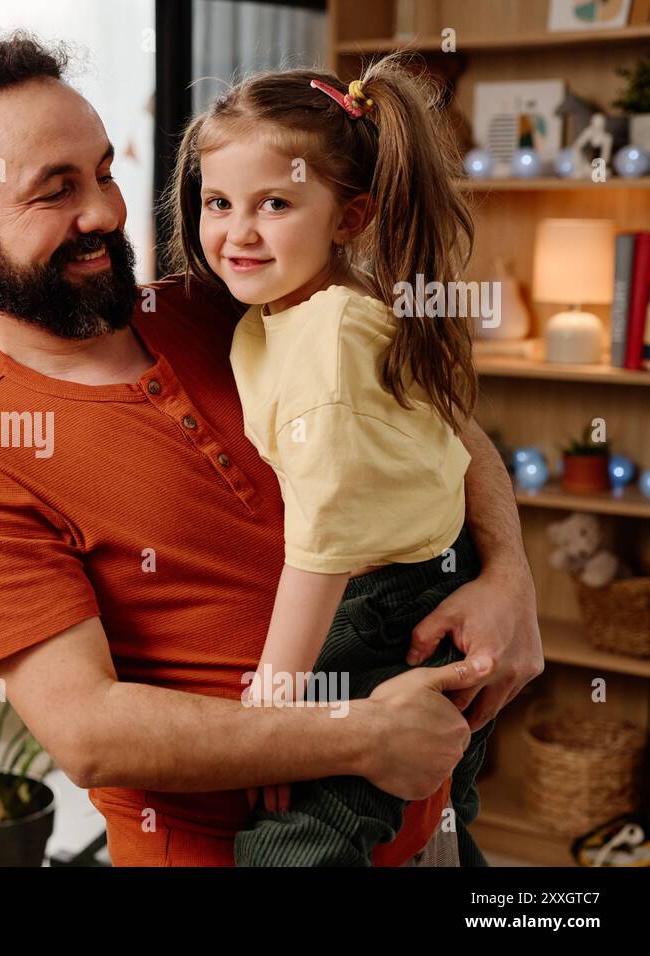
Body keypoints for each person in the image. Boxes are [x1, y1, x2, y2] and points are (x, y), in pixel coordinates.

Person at [0, 32, 544, 866]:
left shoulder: (230, 301)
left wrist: (507, 576)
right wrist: (354, 736)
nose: (108, 213)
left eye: (105, 173)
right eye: (57, 192)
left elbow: (437, 421)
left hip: (430, 821)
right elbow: (90, 731)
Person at [168, 57, 492, 866]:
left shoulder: (332, 337)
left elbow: (323, 536)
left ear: (349, 219)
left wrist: (272, 709)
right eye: (218, 203)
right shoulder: (294, 308)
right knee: (430, 821)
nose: (236, 232)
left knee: (297, 845)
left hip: (387, 610)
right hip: (410, 581)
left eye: (274, 204)